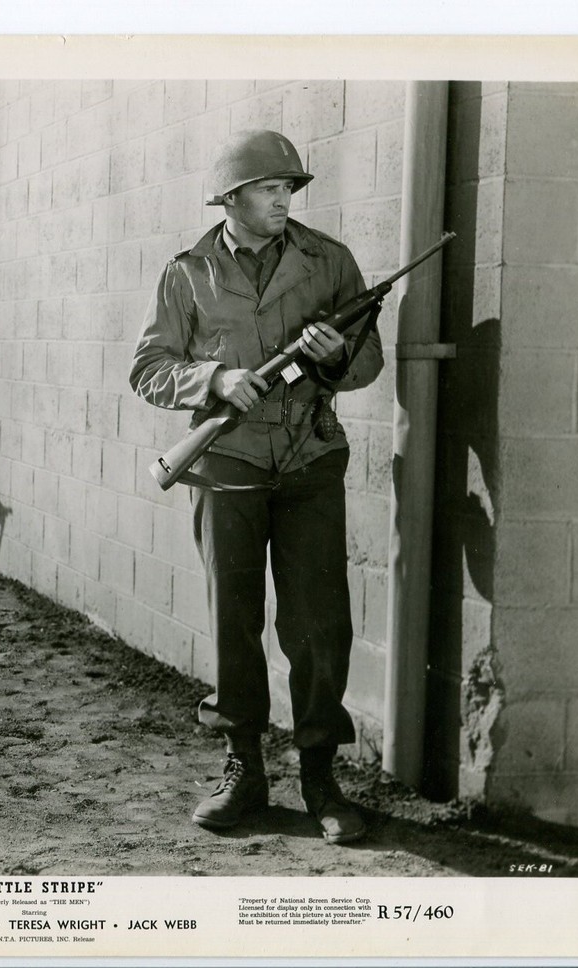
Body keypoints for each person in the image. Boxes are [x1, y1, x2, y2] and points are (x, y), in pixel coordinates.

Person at [129, 129, 383, 844]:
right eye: (269, 189)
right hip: (227, 462)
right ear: (231, 198)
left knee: (319, 625)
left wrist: (337, 356)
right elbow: (148, 368)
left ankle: (320, 777)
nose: (283, 200)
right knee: (233, 623)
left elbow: (368, 362)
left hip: (309, 459)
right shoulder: (188, 273)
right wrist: (214, 380)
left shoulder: (329, 260)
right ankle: (243, 768)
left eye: (288, 189)